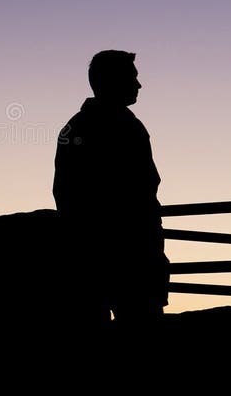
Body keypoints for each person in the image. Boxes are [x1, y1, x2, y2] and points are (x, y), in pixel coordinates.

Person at [53, 50, 170, 327]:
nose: (139, 85)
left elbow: (65, 193)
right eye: (133, 78)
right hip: (128, 256)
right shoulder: (126, 127)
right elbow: (142, 189)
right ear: (112, 81)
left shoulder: (78, 127)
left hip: (96, 257)